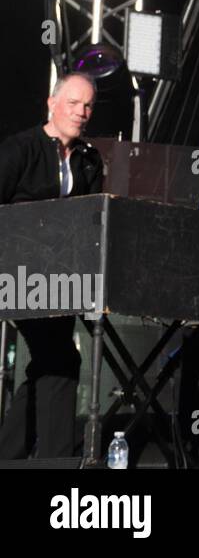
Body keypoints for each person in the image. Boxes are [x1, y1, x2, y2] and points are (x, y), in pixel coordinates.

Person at [0, 72, 104, 459]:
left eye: (88, 105)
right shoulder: (20, 149)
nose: (81, 112)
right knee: (60, 358)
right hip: (18, 273)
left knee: (50, 361)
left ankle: (8, 455)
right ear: (52, 103)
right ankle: (56, 461)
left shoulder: (89, 160)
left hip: (63, 278)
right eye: (74, 103)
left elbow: (91, 219)